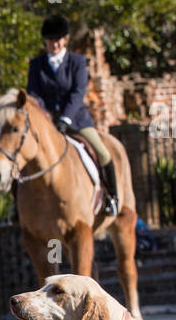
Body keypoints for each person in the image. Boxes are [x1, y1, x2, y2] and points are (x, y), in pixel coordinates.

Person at [27, 15, 118, 215]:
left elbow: (78, 93)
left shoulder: (77, 62)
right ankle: (19, 207)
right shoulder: (36, 64)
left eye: (58, 39)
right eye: (51, 39)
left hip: (76, 120)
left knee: (103, 153)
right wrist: (47, 119)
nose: (55, 43)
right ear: (45, 40)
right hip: (47, 123)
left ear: (65, 39)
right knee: (23, 155)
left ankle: (112, 197)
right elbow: (33, 95)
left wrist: (65, 119)